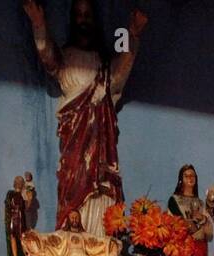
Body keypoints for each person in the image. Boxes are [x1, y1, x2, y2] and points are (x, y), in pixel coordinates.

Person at [24, 0, 148, 236]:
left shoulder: (103, 64)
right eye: (79, 15)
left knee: (102, 187)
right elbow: (47, 56)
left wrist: (132, 35)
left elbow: (119, 74)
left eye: (88, 15)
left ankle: (100, 241)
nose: (83, 20)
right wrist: (39, 24)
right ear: (73, 20)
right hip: (74, 141)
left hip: (100, 144)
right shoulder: (65, 58)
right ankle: (72, 238)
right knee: (73, 185)